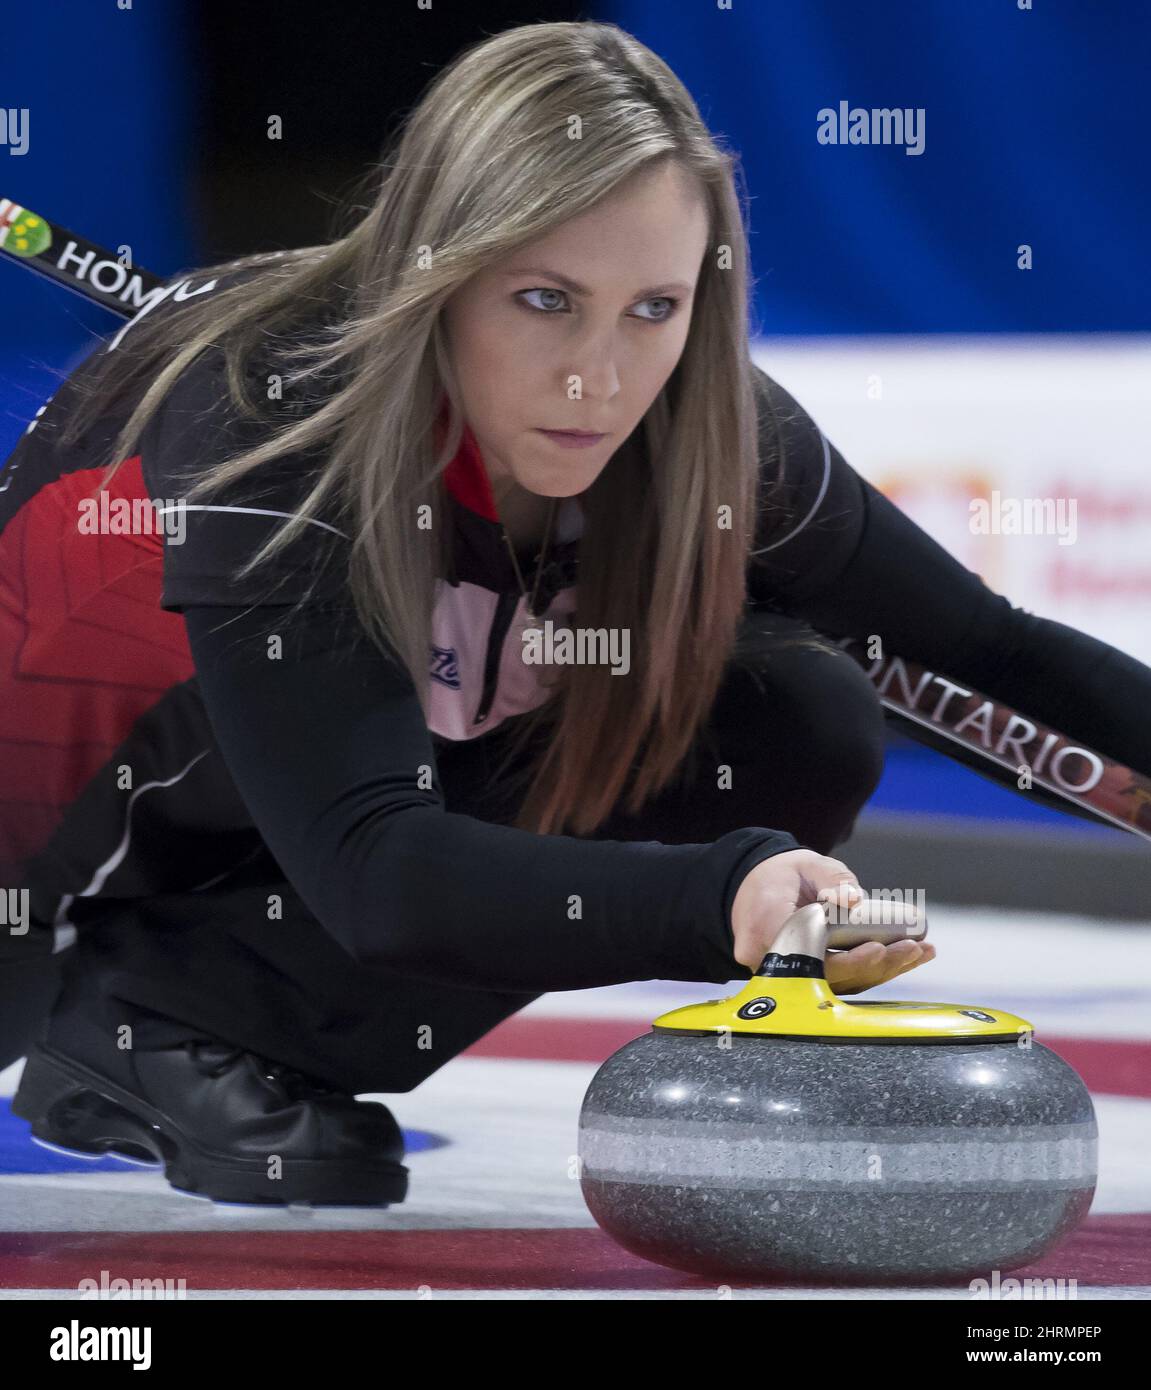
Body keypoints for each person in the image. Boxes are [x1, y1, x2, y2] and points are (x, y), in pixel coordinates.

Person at [1, 21, 1147, 1206]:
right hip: (53, 849)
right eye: (545, 299)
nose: (597, 379)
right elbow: (375, 870)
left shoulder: (701, 430)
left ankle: (182, 1019)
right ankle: (128, 1008)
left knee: (788, 714)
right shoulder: (269, 419)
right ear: (434, 277)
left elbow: (987, 647)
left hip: (294, 797)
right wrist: (724, 897)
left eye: (651, 307)